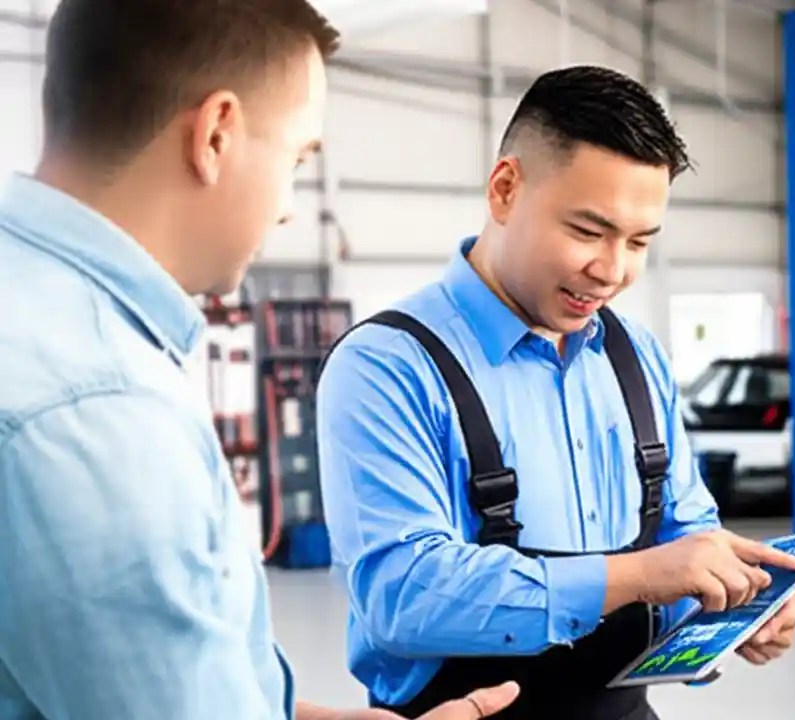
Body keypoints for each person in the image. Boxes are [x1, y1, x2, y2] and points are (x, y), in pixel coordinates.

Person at [0, 1, 517, 718]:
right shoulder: (98, 411)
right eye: (297, 159)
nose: (286, 209)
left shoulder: (35, 316)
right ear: (216, 134)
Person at [315, 65, 795, 720]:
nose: (611, 271)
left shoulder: (637, 358)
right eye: (586, 231)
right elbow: (402, 596)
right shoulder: (387, 367)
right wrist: (636, 577)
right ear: (505, 190)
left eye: (638, 242)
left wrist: (738, 598)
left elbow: (684, 530)